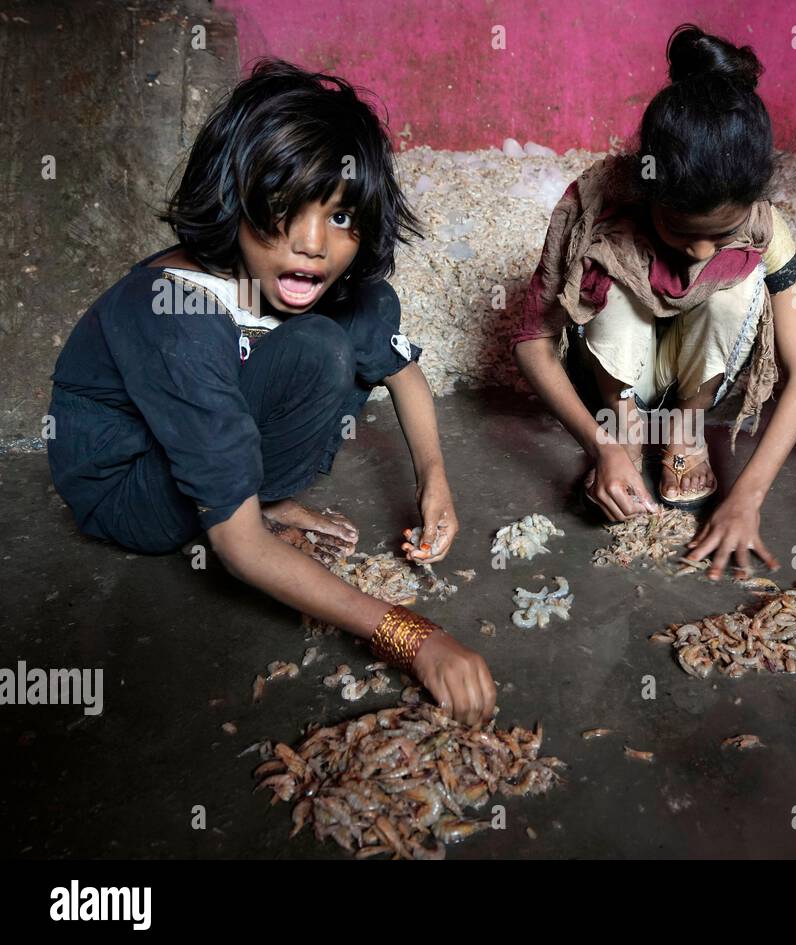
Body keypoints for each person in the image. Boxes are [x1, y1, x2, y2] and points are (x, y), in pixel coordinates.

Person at [46, 61, 495, 723]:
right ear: (233, 198)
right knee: (315, 349)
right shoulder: (178, 312)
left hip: (206, 440)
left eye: (341, 215)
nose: (313, 245)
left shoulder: (323, 281)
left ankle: (260, 495)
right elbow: (238, 549)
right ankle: (250, 501)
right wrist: (412, 636)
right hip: (125, 485)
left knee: (340, 330)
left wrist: (434, 481)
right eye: (283, 210)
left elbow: (401, 372)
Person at [513, 25, 796, 579]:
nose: (701, 251)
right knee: (609, 260)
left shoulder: (763, 226)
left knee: (741, 282)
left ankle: (685, 426)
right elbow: (531, 340)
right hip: (616, 375)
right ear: (648, 187)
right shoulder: (598, 199)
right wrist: (600, 443)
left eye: (720, 235)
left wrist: (747, 495)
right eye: (681, 231)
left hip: (693, 376)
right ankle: (627, 428)